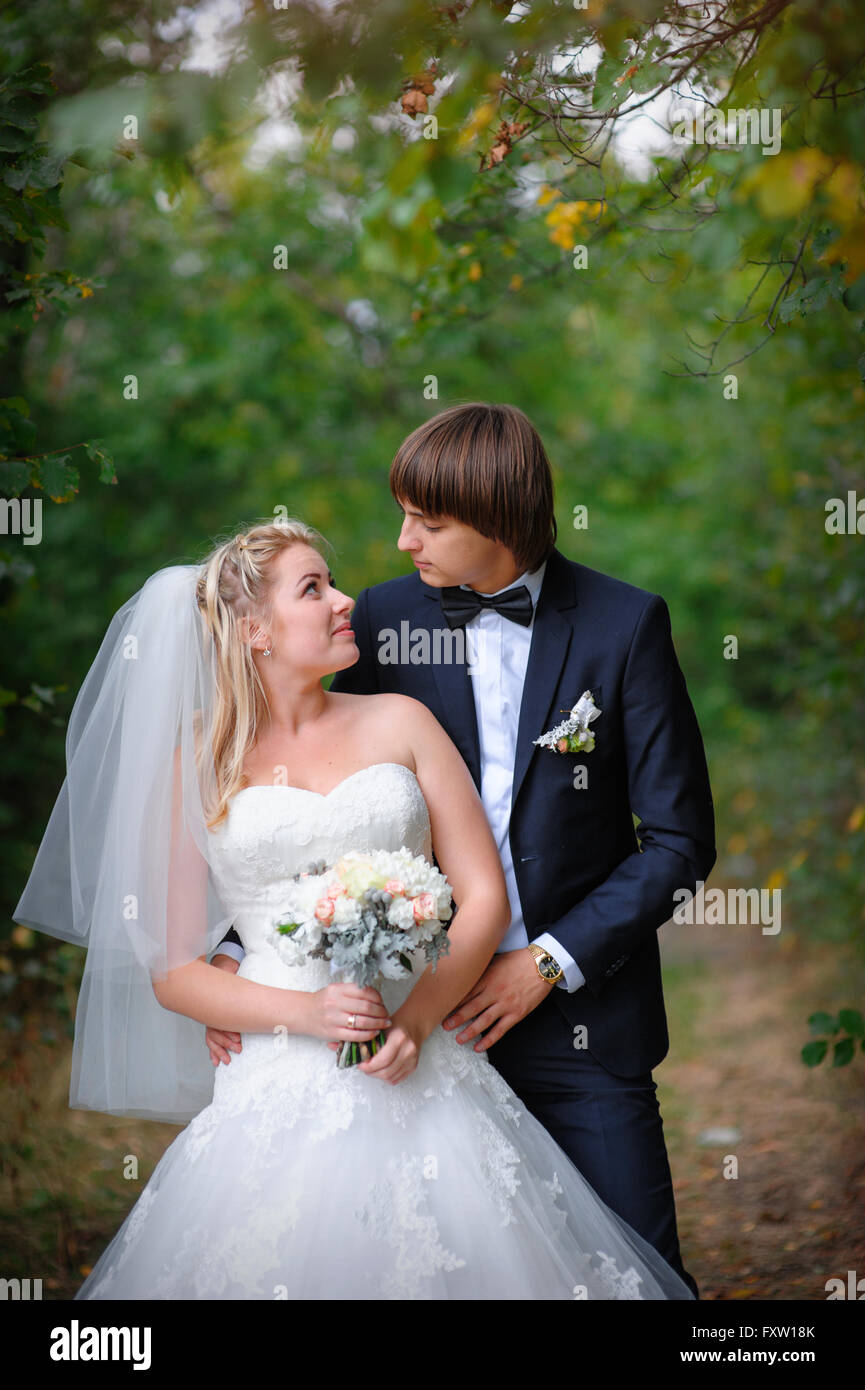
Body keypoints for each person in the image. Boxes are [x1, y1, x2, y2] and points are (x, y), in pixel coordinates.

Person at [15, 516, 695, 1300]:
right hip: (277, 1074)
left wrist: (412, 1020)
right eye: (314, 589)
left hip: (428, 1052)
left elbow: (480, 894)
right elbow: (173, 970)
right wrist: (303, 1014)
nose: (346, 602)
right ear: (253, 630)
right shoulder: (194, 765)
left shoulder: (399, 721)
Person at [212, 403, 715, 1299]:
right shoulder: (377, 623)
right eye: (404, 512)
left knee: (640, 1278)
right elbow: (294, 785)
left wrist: (547, 964)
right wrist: (237, 951)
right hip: (411, 1025)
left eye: (429, 521)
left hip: (579, 1027)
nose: (403, 540)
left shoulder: (624, 626)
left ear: (503, 517)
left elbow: (677, 841)